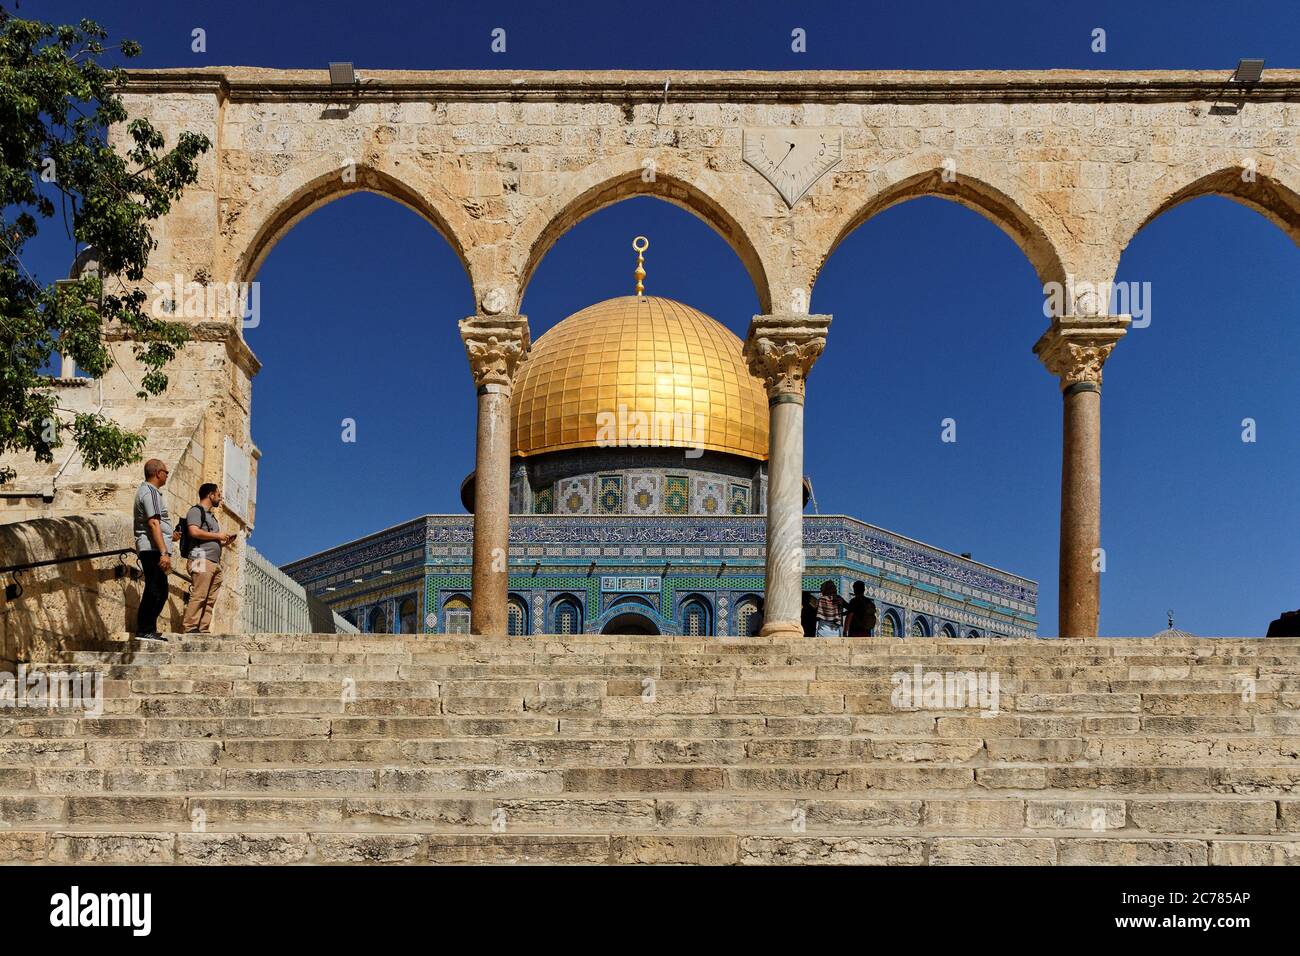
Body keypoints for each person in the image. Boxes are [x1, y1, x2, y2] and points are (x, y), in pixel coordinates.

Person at [182, 483, 237, 634]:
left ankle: (203, 628)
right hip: (200, 558)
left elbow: (209, 538)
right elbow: (193, 531)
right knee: (199, 594)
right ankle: (190, 626)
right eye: (218, 494)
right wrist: (218, 536)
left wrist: (223, 543)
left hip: (214, 562)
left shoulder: (211, 517)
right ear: (210, 495)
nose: (220, 498)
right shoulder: (196, 511)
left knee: (210, 599)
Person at [132, 459, 173, 641]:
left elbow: (158, 524)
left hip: (153, 547)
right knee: (155, 589)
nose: (167, 475)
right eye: (166, 471)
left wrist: (171, 535)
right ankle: (145, 629)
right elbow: (154, 522)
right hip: (152, 548)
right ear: (158, 473)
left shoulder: (149, 492)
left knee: (159, 589)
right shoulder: (150, 492)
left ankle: (148, 629)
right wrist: (163, 552)